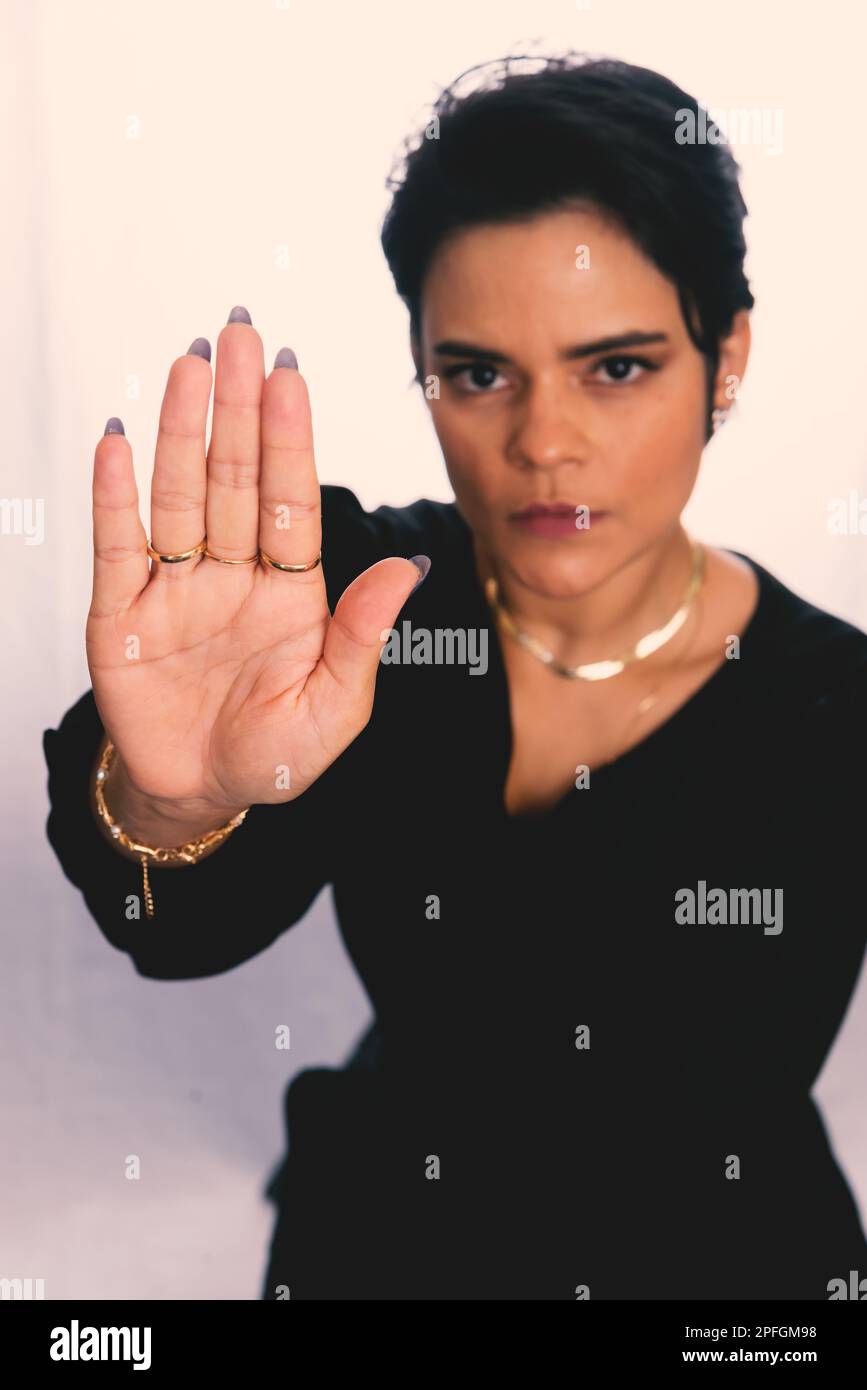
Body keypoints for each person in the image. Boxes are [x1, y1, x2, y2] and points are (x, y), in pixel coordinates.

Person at [43, 53, 867, 1300]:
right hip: (382, 1249)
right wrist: (177, 799)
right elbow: (179, 928)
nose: (543, 442)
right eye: (479, 373)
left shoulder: (838, 709)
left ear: (728, 356)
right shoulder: (359, 602)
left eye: (618, 366)